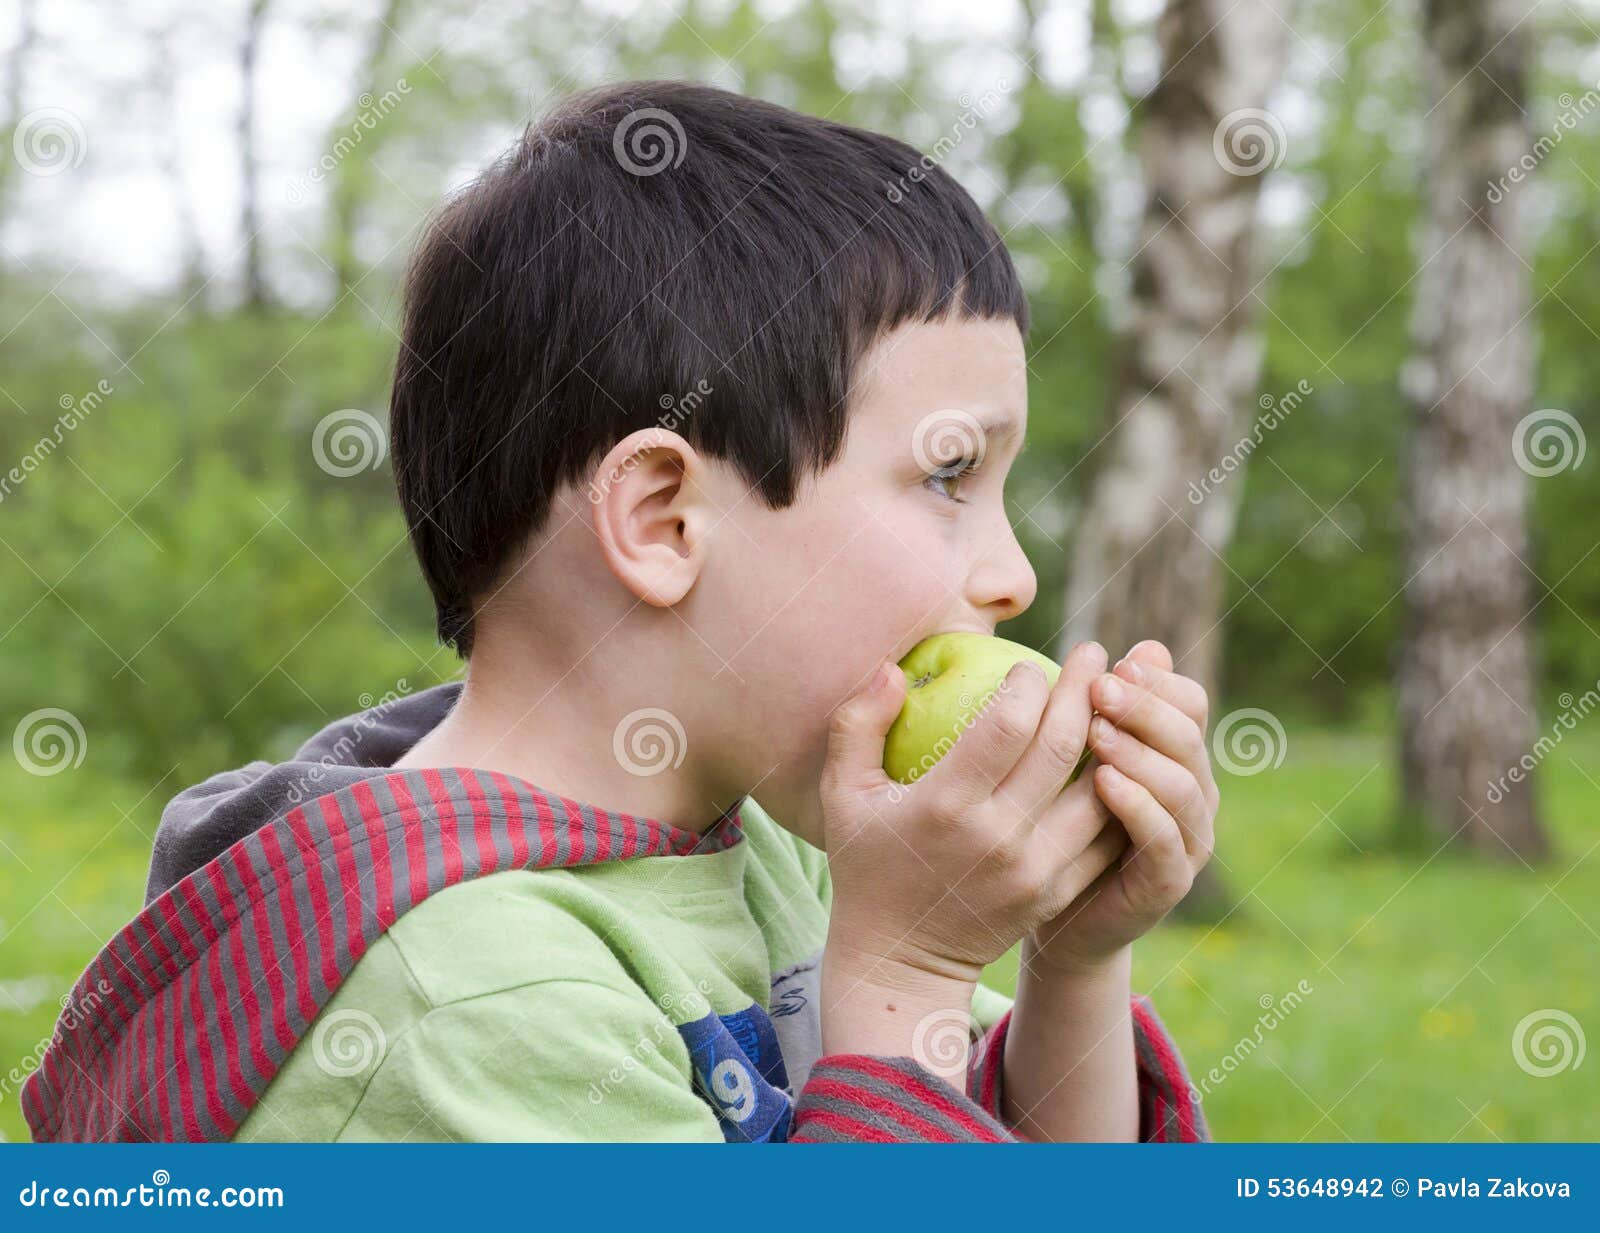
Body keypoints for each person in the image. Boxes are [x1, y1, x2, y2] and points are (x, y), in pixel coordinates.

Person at [24, 80, 1218, 1143]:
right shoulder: (467, 1000)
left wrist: (1070, 962)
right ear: (660, 521)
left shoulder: (771, 866)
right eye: (949, 477)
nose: (1012, 577)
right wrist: (905, 975)